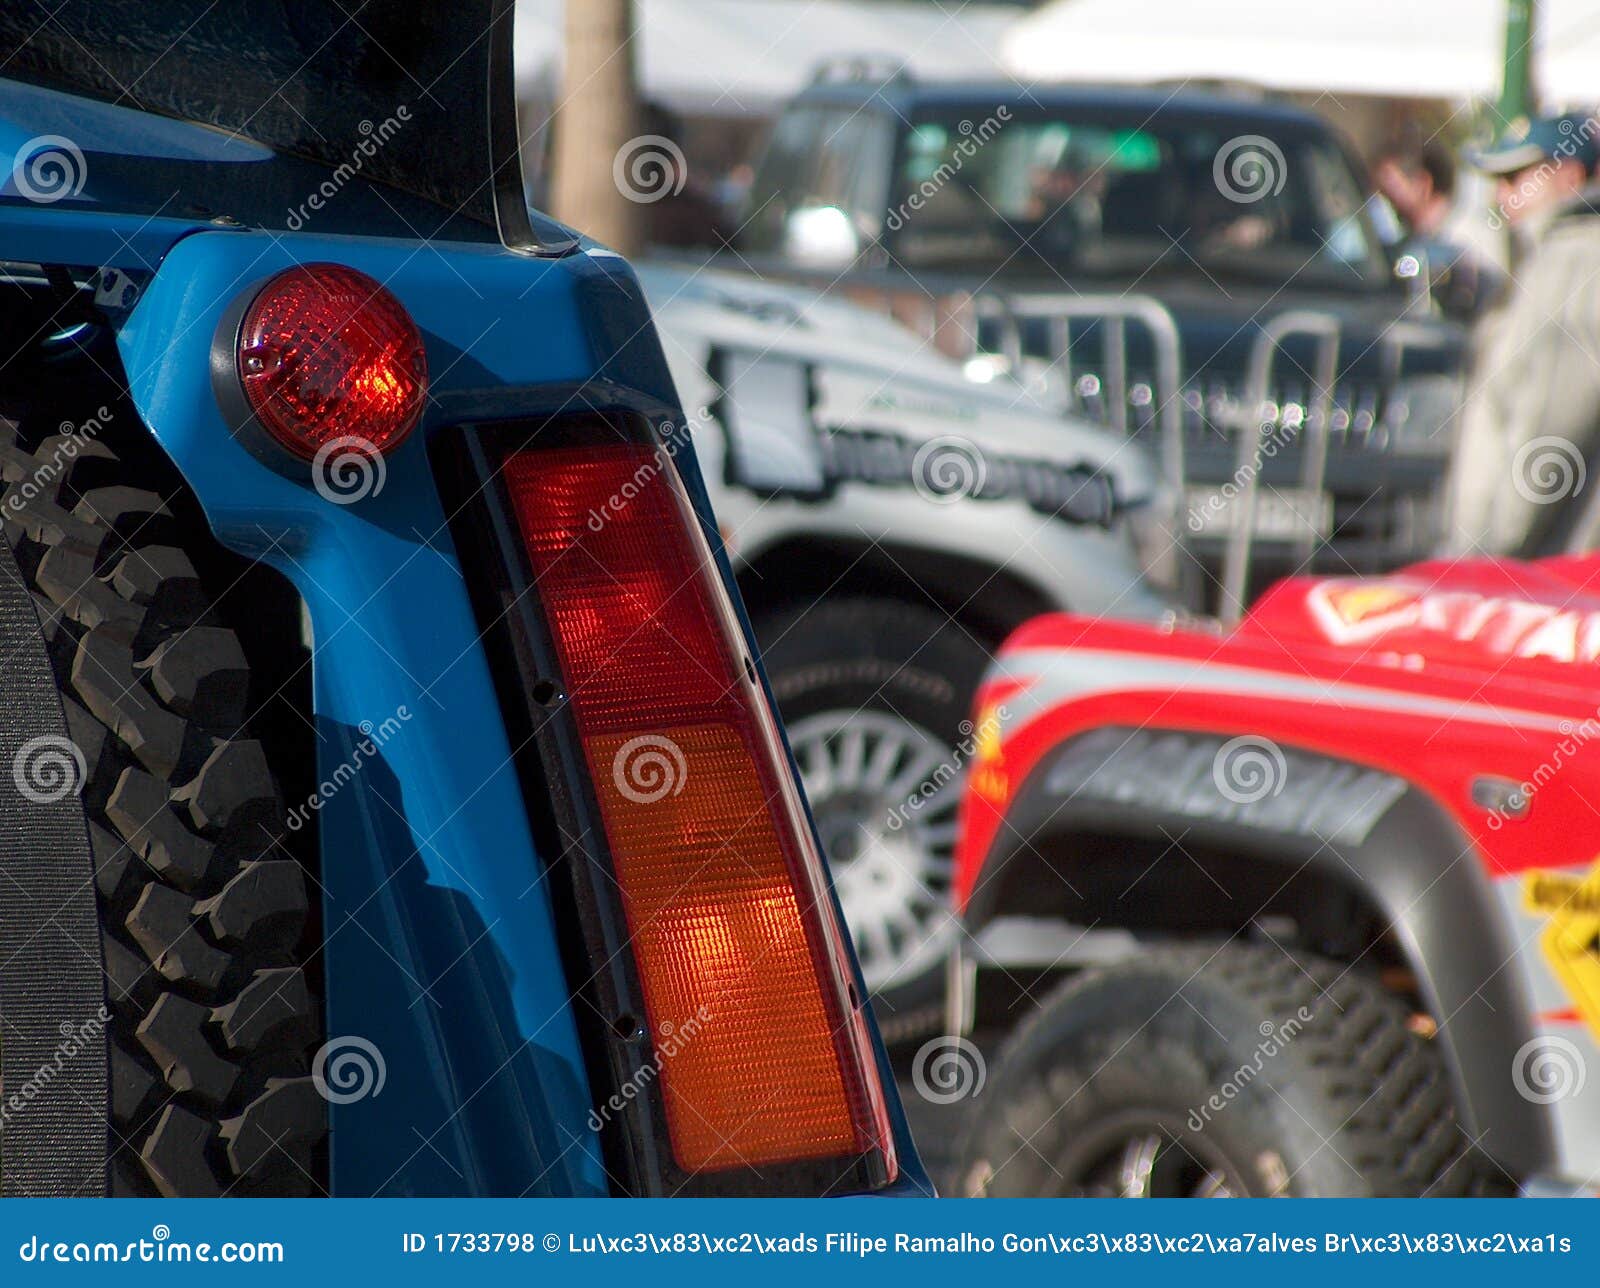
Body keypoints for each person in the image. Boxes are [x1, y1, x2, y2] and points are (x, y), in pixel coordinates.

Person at [1441, 112, 1600, 555]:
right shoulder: (1551, 255)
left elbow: (1551, 426)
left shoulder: (1574, 260)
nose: (1501, 194)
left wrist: (1492, 554)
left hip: (1536, 568)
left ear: (1569, 176)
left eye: (1515, 177)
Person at [1374, 141, 1503, 317]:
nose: (1384, 199)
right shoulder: (1410, 243)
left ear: (1423, 184)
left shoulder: (1473, 234)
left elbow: (1493, 306)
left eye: (1391, 188)